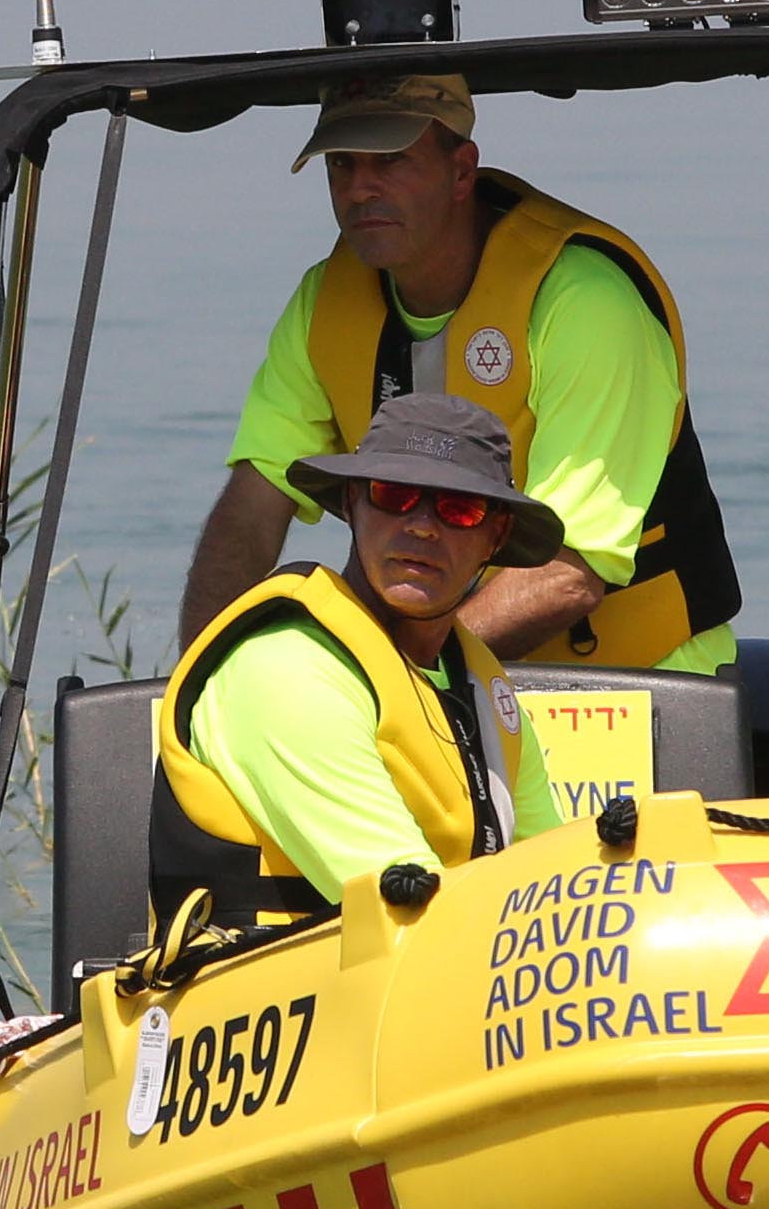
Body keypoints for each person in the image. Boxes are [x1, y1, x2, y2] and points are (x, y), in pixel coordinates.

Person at [177, 70, 743, 673]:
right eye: (341, 164)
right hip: (436, 686)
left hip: (635, 685)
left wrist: (389, 685)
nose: (360, 188)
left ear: (462, 171)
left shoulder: (583, 302)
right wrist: (198, 685)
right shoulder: (325, 304)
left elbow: (569, 574)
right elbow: (252, 508)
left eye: (390, 160)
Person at [152, 394, 570, 935]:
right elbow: (410, 918)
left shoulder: (481, 686)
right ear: (352, 503)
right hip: (267, 999)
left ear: (497, 536)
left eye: (458, 509)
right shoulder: (286, 671)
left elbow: (557, 883)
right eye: (394, 495)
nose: (421, 527)